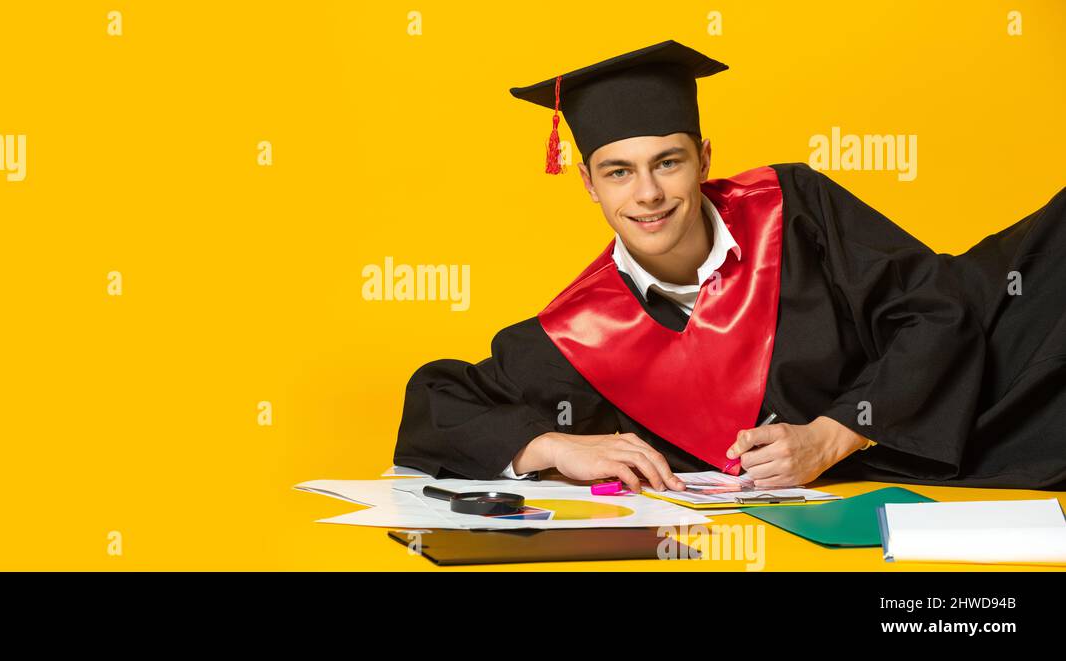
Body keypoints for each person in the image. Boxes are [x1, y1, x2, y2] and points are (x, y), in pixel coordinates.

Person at [393, 40, 1066, 492]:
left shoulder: (794, 207)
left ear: (704, 158)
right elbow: (436, 401)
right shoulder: (578, 330)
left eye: (668, 161)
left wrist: (832, 436)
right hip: (909, 474)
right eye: (619, 172)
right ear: (590, 186)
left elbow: (935, 309)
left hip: (993, 366)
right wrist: (552, 446)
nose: (648, 194)